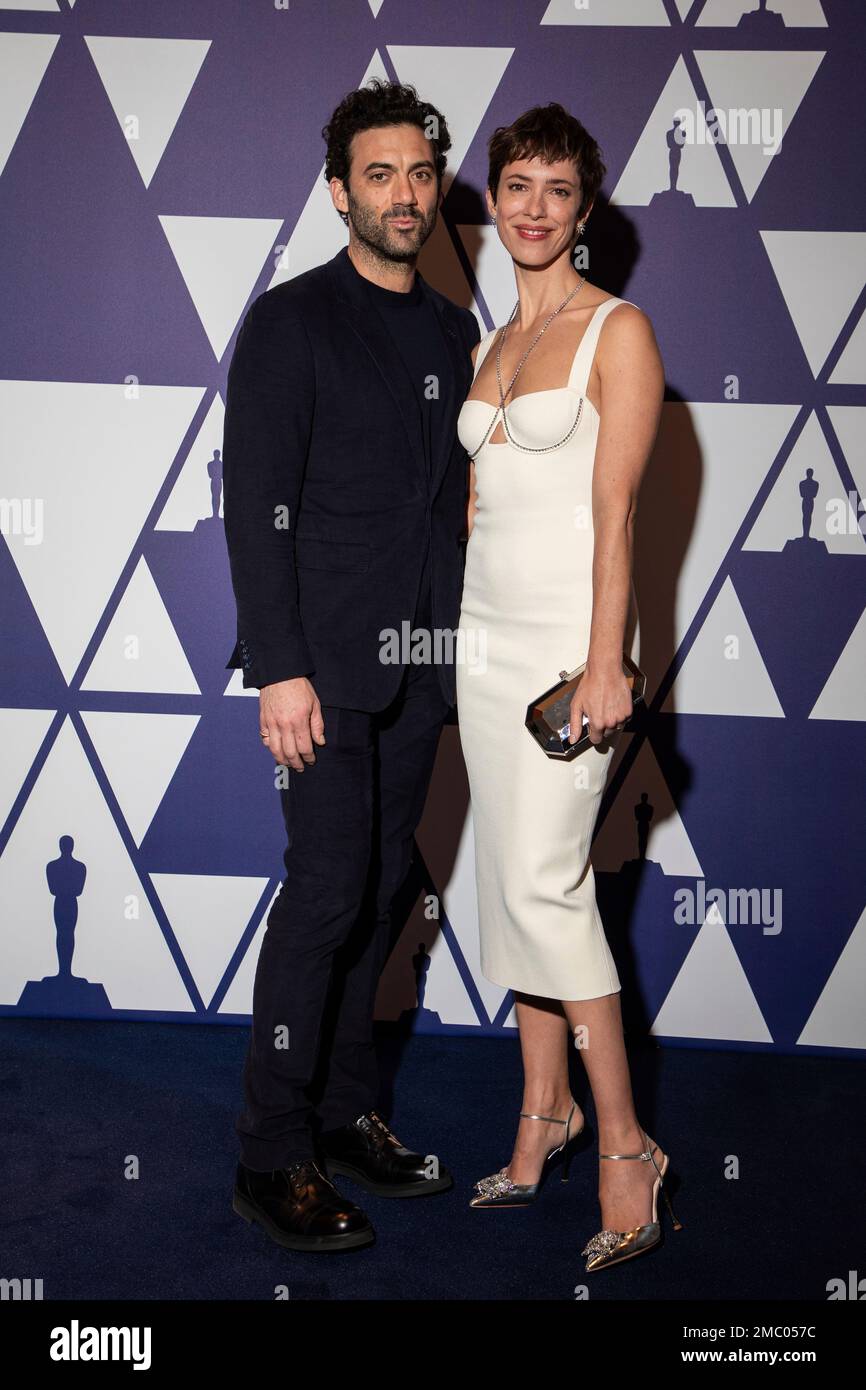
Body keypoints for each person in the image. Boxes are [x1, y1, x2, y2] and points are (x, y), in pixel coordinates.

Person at [222, 79, 480, 1252]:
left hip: (420, 663)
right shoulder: (289, 321)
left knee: (381, 895)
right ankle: (271, 1154)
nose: (403, 195)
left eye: (419, 174)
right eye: (378, 175)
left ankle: (343, 1111)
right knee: (325, 895)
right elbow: (257, 508)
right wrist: (279, 668)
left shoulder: (449, 329)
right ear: (339, 192)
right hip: (319, 672)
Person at [455, 103, 682, 1272]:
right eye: (515, 185)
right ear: (491, 199)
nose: (533, 207)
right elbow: (485, 499)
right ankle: (541, 1118)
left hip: (565, 651)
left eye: (556, 189)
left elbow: (617, 513)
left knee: (547, 888)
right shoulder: (494, 338)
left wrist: (606, 662)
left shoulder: (618, 332)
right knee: (513, 892)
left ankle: (626, 1146)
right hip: (481, 647)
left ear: (583, 210)